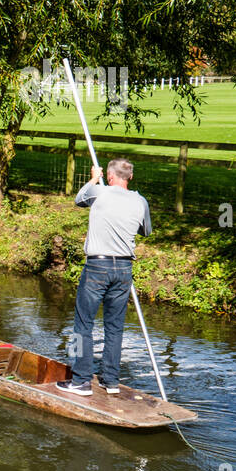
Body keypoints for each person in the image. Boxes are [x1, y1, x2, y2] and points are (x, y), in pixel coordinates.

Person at [57, 159, 152, 397]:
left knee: (83, 325)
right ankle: (110, 381)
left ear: (109, 176)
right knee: (115, 328)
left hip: (97, 266)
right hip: (123, 269)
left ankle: (80, 381)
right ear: (129, 177)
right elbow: (146, 231)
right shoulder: (141, 201)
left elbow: (79, 200)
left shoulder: (99, 192)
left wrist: (92, 177)